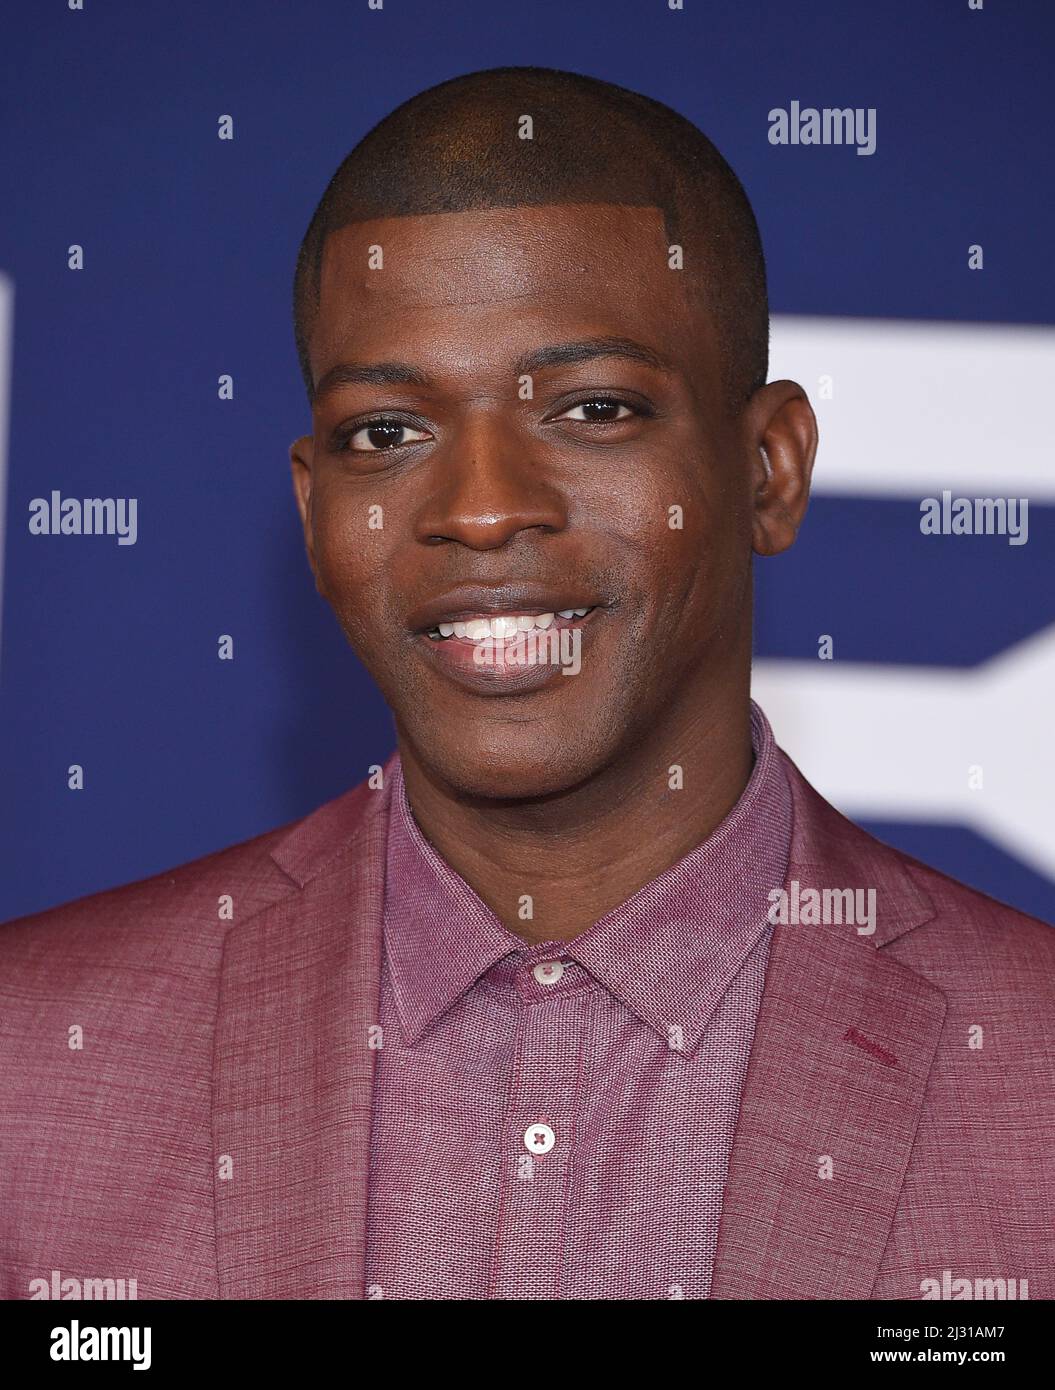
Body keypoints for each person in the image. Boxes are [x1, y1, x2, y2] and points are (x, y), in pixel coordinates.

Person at [2, 66, 1052, 1302]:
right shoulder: (33, 1058)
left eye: (590, 408)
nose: (482, 506)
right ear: (310, 507)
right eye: (385, 433)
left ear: (767, 469)